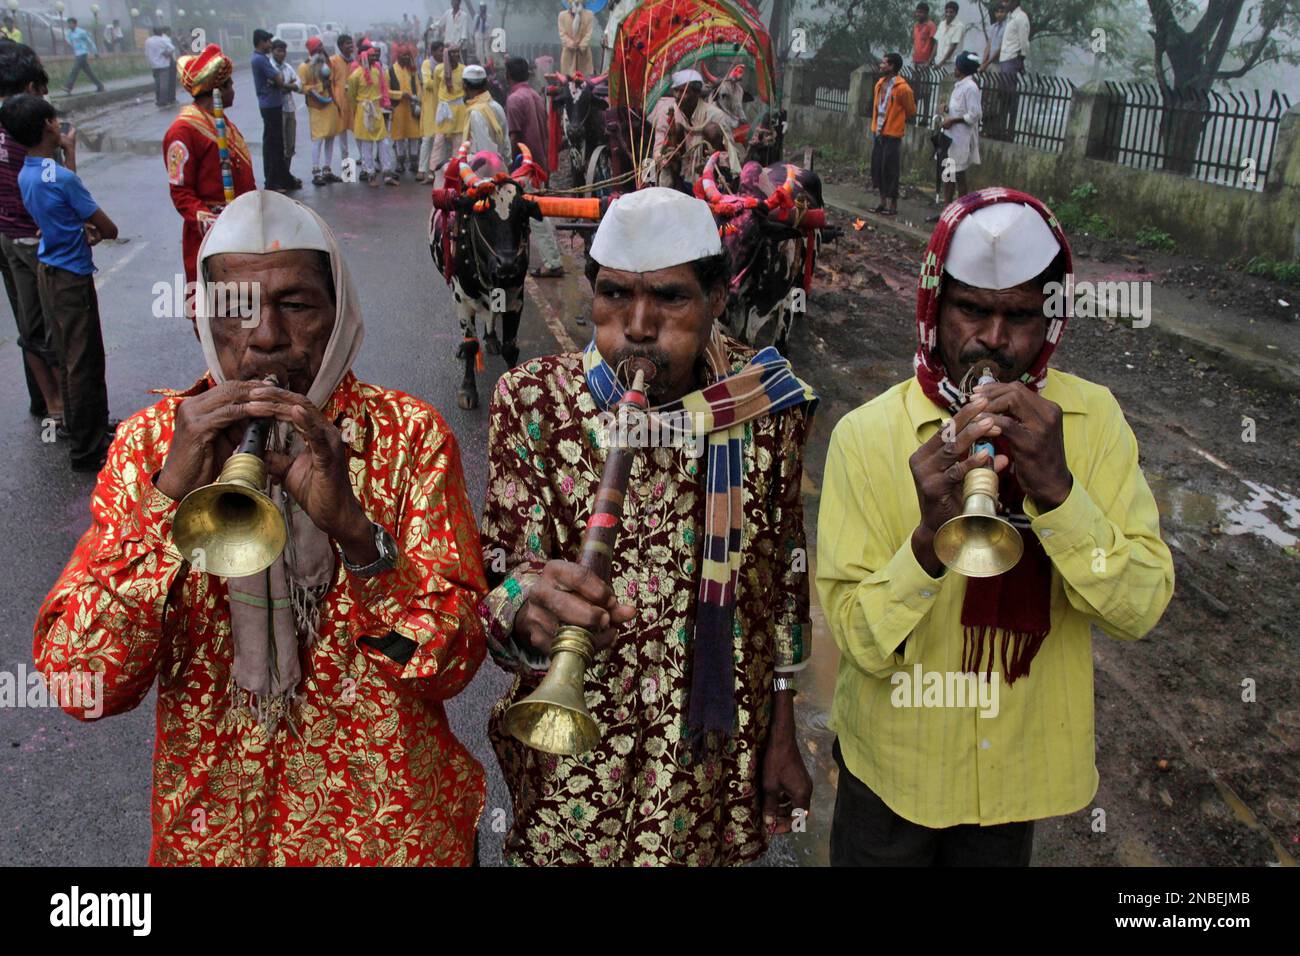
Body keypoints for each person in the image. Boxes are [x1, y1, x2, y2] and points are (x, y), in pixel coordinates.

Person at [34, 189, 490, 866]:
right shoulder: (150, 446)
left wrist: (358, 537)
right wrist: (166, 503)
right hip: (217, 837)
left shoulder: (407, 437)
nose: (266, 339)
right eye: (235, 310)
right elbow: (85, 682)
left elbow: (448, 665)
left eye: (296, 305)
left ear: (340, 315)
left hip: (388, 835)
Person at [817, 188, 1175, 866]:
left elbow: (1141, 608)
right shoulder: (865, 438)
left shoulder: (1094, 423)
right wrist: (927, 542)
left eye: (1020, 317)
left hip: (1012, 786)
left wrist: (1058, 491)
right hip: (891, 778)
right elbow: (858, 641)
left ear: (1052, 320)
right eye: (972, 310)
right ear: (934, 308)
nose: (992, 340)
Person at [480, 187, 818, 865]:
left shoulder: (765, 406)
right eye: (614, 295)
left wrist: (784, 726)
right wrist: (523, 607)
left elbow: (784, 580)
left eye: (669, 298)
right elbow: (497, 574)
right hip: (577, 740)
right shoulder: (533, 400)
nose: (636, 325)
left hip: (709, 740)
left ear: (718, 300)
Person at [1, 93, 117, 472]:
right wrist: (90, 229)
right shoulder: (61, 177)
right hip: (71, 277)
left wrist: (66, 157)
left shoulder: (27, 173)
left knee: (68, 357)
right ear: (49, 125)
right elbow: (108, 227)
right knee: (84, 361)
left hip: (47, 269)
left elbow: (62, 209)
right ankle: (88, 448)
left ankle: (84, 427)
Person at [162, 44, 256, 304]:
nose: (234, 90)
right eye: (230, 84)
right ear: (218, 90)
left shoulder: (221, 120)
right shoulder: (182, 131)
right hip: (211, 234)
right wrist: (211, 223)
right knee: (215, 305)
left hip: (241, 227)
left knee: (248, 301)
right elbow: (180, 192)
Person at [0, 41, 62, 428]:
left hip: (8, 235)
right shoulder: (26, 127)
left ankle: (44, 400)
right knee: (49, 325)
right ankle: (62, 405)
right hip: (35, 240)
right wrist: (65, 151)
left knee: (27, 319)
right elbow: (60, 187)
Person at [504, 57, 563, 278]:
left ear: (508, 75)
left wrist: (510, 166)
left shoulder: (514, 99)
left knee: (535, 216)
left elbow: (515, 138)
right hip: (539, 163)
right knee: (537, 213)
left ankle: (553, 261)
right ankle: (541, 257)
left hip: (525, 167)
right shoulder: (536, 96)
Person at [648, 69, 737, 190]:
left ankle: (712, 184)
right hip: (677, 174)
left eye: (684, 92)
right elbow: (658, 149)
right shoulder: (667, 113)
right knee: (676, 129)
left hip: (709, 175)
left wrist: (713, 160)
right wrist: (667, 156)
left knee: (712, 130)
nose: (678, 96)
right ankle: (674, 188)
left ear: (696, 94)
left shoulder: (716, 115)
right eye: (676, 91)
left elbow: (729, 153)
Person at [928, 50, 982, 221]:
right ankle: (948, 211)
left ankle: (962, 212)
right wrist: (947, 110)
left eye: (957, 66)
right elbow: (959, 109)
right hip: (950, 138)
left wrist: (954, 120)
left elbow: (974, 115)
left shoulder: (971, 88)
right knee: (948, 173)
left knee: (959, 175)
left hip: (960, 139)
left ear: (962, 68)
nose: (955, 69)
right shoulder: (959, 86)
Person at [869, 52, 915, 216]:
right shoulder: (879, 84)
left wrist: (896, 121)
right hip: (879, 132)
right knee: (878, 168)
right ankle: (882, 202)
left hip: (892, 134)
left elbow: (911, 110)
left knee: (891, 169)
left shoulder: (903, 89)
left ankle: (893, 205)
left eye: (884, 63)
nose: (881, 66)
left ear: (892, 66)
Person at [251, 29, 297, 192]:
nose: (270, 44)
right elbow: (279, 80)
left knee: (278, 145)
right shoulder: (260, 60)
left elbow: (279, 80)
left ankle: (284, 178)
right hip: (269, 105)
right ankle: (272, 182)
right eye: (269, 42)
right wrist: (281, 82)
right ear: (261, 42)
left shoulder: (262, 59)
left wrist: (280, 82)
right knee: (272, 146)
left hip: (274, 104)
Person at [348, 39, 397, 186]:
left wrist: (386, 105)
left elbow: (383, 89)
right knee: (367, 145)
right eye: (370, 55)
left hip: (376, 110)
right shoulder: (355, 75)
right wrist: (359, 109)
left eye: (375, 56)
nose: (374, 58)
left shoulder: (377, 71)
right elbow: (351, 96)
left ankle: (387, 173)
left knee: (384, 142)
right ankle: (370, 175)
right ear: (363, 56)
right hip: (364, 111)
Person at [300, 36, 343, 186]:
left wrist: (336, 103)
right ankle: (316, 171)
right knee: (318, 139)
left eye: (321, 47)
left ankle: (327, 170)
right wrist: (319, 88)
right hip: (316, 106)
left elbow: (330, 82)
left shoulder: (326, 63)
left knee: (330, 137)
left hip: (329, 104)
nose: (320, 49)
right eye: (317, 48)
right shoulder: (304, 67)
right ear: (312, 50)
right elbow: (302, 87)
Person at [419, 41, 464, 184]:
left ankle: (456, 172)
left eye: (458, 52)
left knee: (458, 141)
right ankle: (432, 173)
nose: (456, 55)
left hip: (459, 109)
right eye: (453, 53)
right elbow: (437, 88)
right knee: (438, 141)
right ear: (447, 55)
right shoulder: (439, 69)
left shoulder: (464, 69)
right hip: (444, 108)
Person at [387, 43, 422, 178]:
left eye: (408, 55)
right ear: (398, 56)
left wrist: (417, 98)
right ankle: (400, 162)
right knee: (399, 137)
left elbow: (419, 87)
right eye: (404, 56)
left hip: (412, 107)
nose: (407, 58)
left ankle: (414, 161)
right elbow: (386, 92)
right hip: (398, 108)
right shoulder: (390, 71)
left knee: (414, 136)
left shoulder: (412, 71)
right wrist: (400, 95)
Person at [460, 63, 506, 162]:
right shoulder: (497, 106)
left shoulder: (475, 113)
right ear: (486, 84)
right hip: (500, 167)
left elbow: (485, 151)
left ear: (464, 86)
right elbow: (506, 142)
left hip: (483, 171)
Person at [272, 39, 301, 183]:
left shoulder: (288, 67)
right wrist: (288, 86)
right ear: (273, 51)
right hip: (278, 109)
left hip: (290, 108)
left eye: (283, 51)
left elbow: (298, 84)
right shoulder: (270, 67)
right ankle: (280, 176)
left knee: (290, 143)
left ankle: (286, 174)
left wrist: (286, 86)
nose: (281, 54)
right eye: (278, 51)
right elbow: (277, 86)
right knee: (280, 144)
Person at [330, 34, 356, 168]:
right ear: (340, 46)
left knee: (358, 133)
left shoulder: (355, 62)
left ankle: (365, 165)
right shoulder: (333, 61)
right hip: (339, 101)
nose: (350, 46)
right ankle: (346, 167)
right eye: (347, 44)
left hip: (353, 101)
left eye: (351, 43)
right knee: (342, 135)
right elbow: (330, 82)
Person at [61, 18, 105, 94]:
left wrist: (95, 52)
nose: (69, 25)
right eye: (68, 24)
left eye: (71, 23)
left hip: (83, 53)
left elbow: (89, 42)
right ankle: (100, 85)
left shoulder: (81, 32)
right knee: (89, 72)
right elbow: (69, 41)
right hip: (77, 54)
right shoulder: (70, 33)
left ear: (75, 24)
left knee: (75, 70)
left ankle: (68, 86)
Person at [558, 0, 593, 77]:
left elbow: (589, 33)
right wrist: (572, 44)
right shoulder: (562, 15)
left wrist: (581, 46)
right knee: (568, 82)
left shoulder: (589, 15)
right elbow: (562, 34)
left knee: (584, 82)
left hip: (584, 54)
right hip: (568, 54)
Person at [143, 26, 177, 107]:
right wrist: (167, 53)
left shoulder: (148, 40)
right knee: (164, 84)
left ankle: (158, 99)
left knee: (157, 83)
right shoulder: (163, 40)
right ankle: (163, 101)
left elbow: (146, 53)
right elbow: (172, 48)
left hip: (153, 65)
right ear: (161, 33)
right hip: (163, 64)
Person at [998, 0, 1030, 73]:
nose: (1004, 4)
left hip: (1012, 59)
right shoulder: (1009, 17)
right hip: (1003, 59)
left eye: (1006, 1)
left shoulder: (1021, 17)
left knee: (1009, 83)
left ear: (1015, 2)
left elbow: (1024, 42)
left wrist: (1021, 58)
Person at [933, 1, 967, 68]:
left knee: (949, 78)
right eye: (947, 12)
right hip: (938, 62)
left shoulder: (959, 26)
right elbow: (936, 43)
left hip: (951, 64)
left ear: (956, 13)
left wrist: (942, 63)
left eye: (951, 12)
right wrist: (930, 60)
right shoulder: (941, 24)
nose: (948, 14)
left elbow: (953, 47)